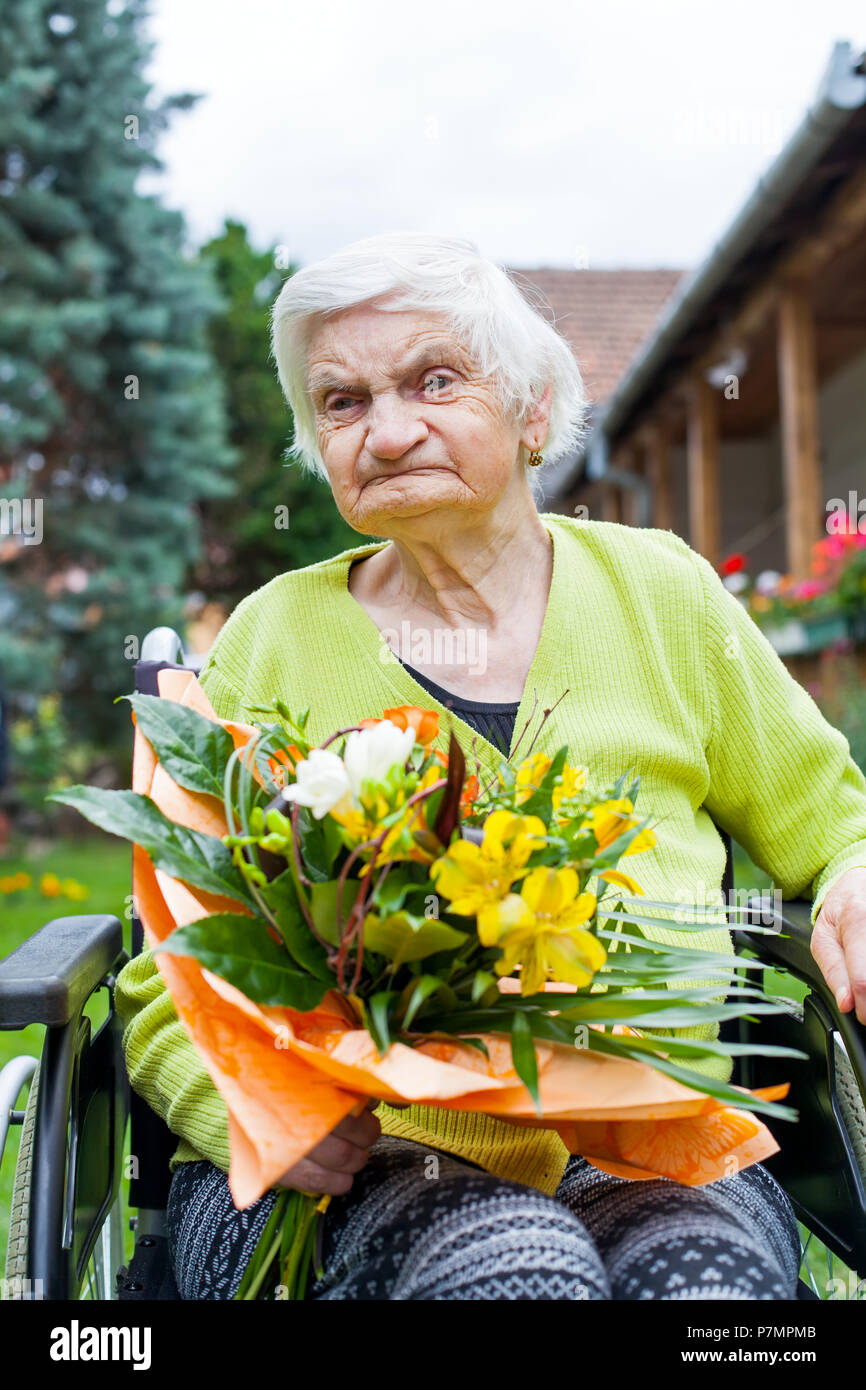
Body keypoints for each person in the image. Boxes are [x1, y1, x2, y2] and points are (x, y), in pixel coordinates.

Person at [116, 231, 866, 1300]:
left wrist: (851, 879)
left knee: (707, 1294)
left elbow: (831, 823)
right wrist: (244, 1103)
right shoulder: (271, 638)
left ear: (531, 415)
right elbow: (163, 955)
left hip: (645, 1140)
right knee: (513, 1271)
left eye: (433, 381)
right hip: (355, 1162)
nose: (385, 432)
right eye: (340, 401)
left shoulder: (664, 597)